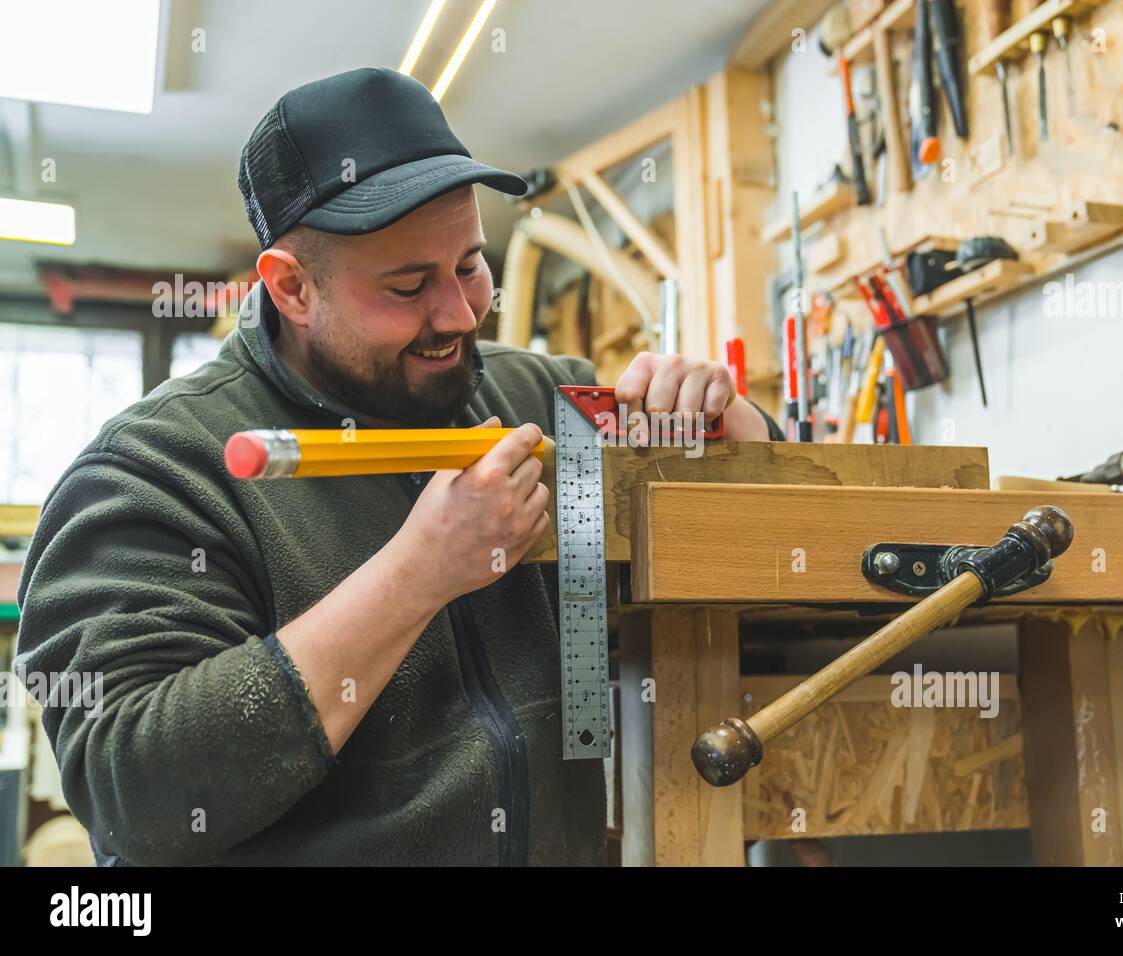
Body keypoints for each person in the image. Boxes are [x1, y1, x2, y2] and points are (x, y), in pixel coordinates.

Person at [15, 67, 777, 865]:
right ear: (293, 286)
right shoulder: (155, 470)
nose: (458, 313)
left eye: (471, 265)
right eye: (408, 285)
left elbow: (772, 525)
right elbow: (137, 794)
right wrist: (416, 575)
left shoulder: (538, 397)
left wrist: (732, 423)